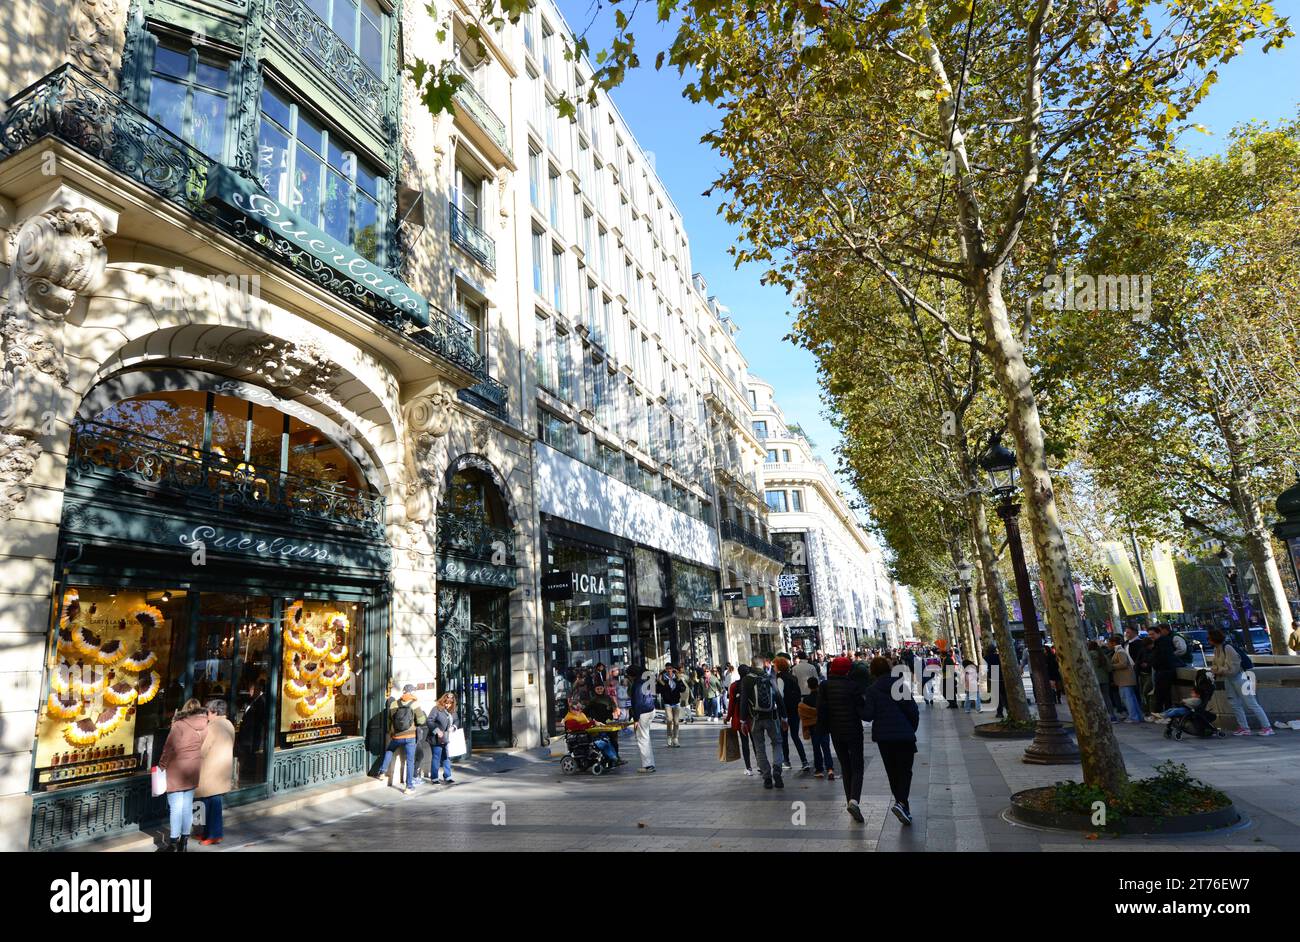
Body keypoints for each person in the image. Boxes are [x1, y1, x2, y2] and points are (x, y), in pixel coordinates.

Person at [862, 657, 920, 825]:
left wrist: (858, 705)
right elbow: (913, 710)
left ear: (872, 671)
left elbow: (868, 715)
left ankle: (903, 807)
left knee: (893, 772)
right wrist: (911, 729)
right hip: (904, 736)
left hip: (884, 738)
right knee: (906, 771)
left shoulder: (872, 690)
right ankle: (902, 804)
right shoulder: (900, 685)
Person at [157, 698, 210, 852]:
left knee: (176, 808)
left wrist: (162, 765)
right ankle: (184, 842)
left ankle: (173, 842)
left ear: (185, 709)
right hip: (193, 769)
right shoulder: (204, 726)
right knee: (187, 807)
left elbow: (168, 748)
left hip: (176, 769)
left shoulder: (179, 725)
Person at [816, 656, 865, 820]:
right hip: (854, 731)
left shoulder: (824, 686)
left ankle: (848, 801)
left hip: (836, 732)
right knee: (858, 766)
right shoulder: (853, 686)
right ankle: (854, 801)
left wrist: (822, 730)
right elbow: (861, 709)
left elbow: (821, 709)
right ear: (847, 670)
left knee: (845, 766)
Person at [1208, 628, 1274, 736]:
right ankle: (1244, 727)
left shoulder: (1228, 648)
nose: (1208, 641)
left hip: (1240, 677)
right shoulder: (1216, 650)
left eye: (1209, 638)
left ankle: (1267, 727)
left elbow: (1233, 667)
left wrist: (1218, 670)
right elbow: (1216, 665)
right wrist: (1218, 669)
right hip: (1229, 679)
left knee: (1251, 703)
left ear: (1214, 639)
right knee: (1234, 704)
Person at [740, 655, 786, 789]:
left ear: (752, 665)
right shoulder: (770, 677)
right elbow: (778, 697)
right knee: (777, 743)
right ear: (763, 665)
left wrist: (743, 720)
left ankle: (767, 777)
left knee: (759, 747)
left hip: (755, 718)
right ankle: (777, 768)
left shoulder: (747, 680)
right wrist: (784, 718)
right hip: (771, 717)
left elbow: (743, 702)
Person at [196, 699, 235, 846]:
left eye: (208, 711)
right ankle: (208, 833)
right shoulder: (229, 724)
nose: (206, 714)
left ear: (214, 712)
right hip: (221, 770)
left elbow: (203, 750)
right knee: (212, 802)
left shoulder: (213, 727)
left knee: (209, 803)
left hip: (210, 771)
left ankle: (213, 834)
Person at [374, 684, 426, 793]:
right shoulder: (414, 703)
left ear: (403, 692)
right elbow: (421, 720)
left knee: (389, 750)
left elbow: (389, 720)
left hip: (397, 736)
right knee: (410, 761)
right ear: (411, 693)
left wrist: (390, 731)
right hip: (410, 736)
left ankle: (382, 772)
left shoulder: (394, 703)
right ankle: (409, 787)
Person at [775, 656, 811, 772]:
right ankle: (804, 761)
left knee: (784, 737)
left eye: (775, 665)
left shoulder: (780, 678)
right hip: (795, 709)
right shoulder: (792, 677)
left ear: (778, 666)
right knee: (795, 736)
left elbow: (780, 695)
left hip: (785, 711)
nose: (773, 667)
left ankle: (787, 761)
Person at [801, 676, 834, 779]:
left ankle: (819, 770)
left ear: (809, 686)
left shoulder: (806, 699)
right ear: (818, 685)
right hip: (824, 725)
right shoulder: (823, 697)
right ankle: (830, 769)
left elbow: (803, 713)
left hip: (813, 727)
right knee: (826, 748)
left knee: (816, 748)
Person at [725, 664, 754, 775]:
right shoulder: (752, 684)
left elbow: (731, 704)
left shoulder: (734, 686)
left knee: (745, 743)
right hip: (752, 717)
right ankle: (761, 766)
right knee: (756, 742)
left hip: (739, 717)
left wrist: (728, 717)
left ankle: (749, 768)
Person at [1108, 635, 1143, 723]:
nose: (1108, 645)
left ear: (1113, 643)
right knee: (1131, 698)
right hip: (1125, 679)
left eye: (1109, 643)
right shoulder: (1119, 651)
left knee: (1128, 699)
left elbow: (1123, 664)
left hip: (1125, 679)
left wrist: (1111, 666)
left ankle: (1133, 717)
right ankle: (1137, 716)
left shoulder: (1120, 652)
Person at [629, 667, 657, 772]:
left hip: (643, 712)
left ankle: (648, 765)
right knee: (646, 737)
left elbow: (637, 703)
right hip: (650, 709)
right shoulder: (645, 681)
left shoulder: (637, 685)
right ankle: (650, 763)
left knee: (642, 738)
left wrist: (635, 719)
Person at [586, 681, 623, 759]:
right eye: (597, 689)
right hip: (599, 725)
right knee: (603, 742)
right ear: (595, 690)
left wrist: (616, 710)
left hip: (609, 724)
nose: (599, 690)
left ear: (604, 688)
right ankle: (606, 758)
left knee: (614, 741)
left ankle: (616, 757)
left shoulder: (608, 698)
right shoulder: (593, 700)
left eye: (601, 688)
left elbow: (614, 707)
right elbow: (586, 711)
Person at [428, 692, 458, 783]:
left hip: (447, 737)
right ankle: (434, 778)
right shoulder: (436, 709)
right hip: (436, 738)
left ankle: (447, 776)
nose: (448, 705)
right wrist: (437, 731)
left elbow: (457, 720)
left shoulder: (452, 710)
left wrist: (454, 727)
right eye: (446, 703)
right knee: (436, 757)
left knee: (446, 757)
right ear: (442, 701)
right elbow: (429, 721)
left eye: (450, 703)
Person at [1150, 624, 1179, 714]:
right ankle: (1164, 713)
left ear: (1158, 633)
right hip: (1162, 671)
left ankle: (1162, 713)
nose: (1151, 636)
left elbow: (1163, 657)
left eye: (1152, 634)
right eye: (1149, 635)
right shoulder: (1159, 642)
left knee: (1162, 694)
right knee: (1163, 694)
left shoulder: (1163, 642)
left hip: (1165, 671)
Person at [1087, 640, 1116, 721]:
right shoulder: (1102, 655)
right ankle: (1112, 715)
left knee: (1096, 698)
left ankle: (1101, 716)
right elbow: (1109, 668)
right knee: (1107, 697)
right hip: (1104, 679)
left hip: (1093, 680)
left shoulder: (1087, 656)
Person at [658, 665, 684, 747]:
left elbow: (683, 689)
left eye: (670, 668)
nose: (669, 670)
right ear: (665, 670)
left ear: (673, 669)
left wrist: (679, 679)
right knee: (669, 720)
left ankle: (675, 739)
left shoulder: (677, 679)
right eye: (667, 669)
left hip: (676, 703)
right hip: (667, 703)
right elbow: (658, 690)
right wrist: (659, 681)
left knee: (676, 722)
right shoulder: (663, 679)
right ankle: (669, 736)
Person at [984, 644, 1004, 718]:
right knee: (1004, 695)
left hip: (993, 678)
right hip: (1002, 677)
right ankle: (1009, 711)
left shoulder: (986, 658)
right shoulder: (999, 656)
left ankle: (1000, 713)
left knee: (997, 696)